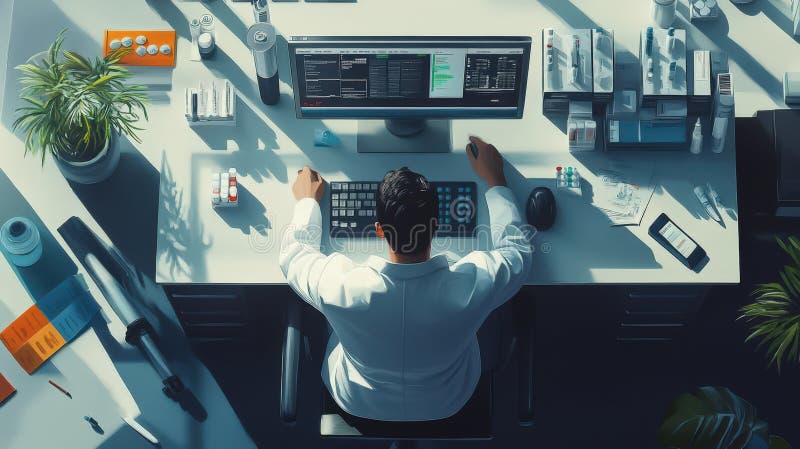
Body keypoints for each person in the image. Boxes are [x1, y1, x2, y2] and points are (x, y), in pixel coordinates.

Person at [279, 136, 532, 421]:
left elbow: (294, 253)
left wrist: (307, 203)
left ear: (378, 230)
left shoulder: (339, 286)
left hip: (359, 400)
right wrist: (496, 180)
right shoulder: (472, 286)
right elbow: (518, 254)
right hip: (447, 400)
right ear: (435, 226)